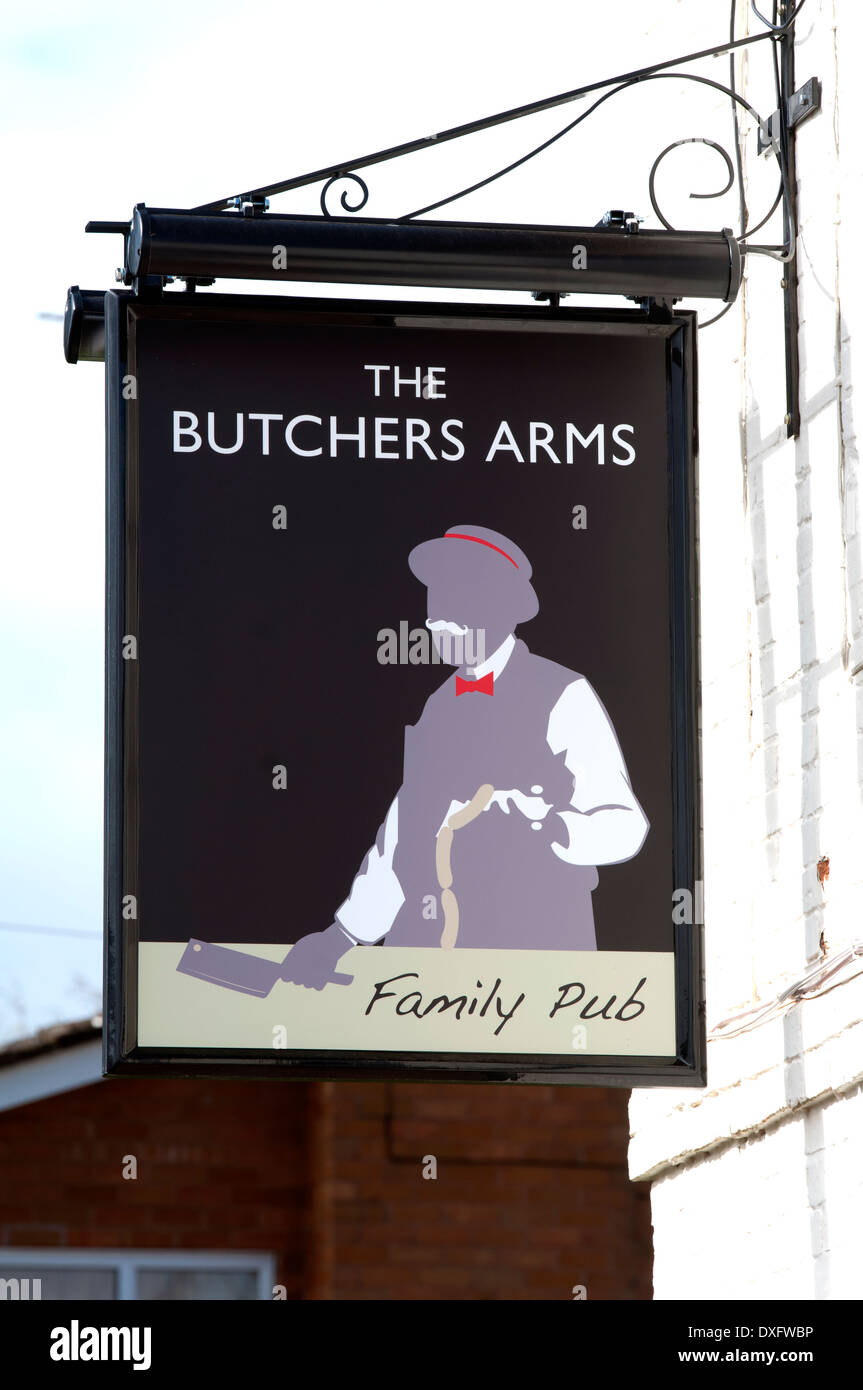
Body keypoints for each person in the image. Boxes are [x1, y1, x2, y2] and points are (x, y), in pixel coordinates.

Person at [283, 523, 649, 988]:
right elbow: (403, 834)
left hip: (532, 966)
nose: (434, 619)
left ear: (497, 607)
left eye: (453, 602)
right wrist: (342, 936)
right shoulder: (437, 707)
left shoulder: (563, 693)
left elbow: (624, 825)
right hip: (427, 969)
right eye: (434, 603)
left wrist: (547, 827)